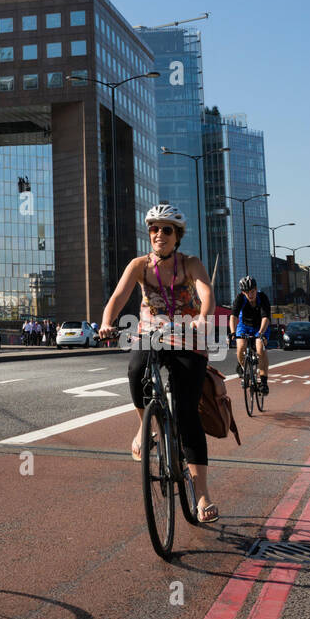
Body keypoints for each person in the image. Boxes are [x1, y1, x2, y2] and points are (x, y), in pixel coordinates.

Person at [98, 203, 219, 525]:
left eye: (166, 229)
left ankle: (202, 492)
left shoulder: (190, 264)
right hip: (150, 333)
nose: (159, 234)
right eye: (154, 228)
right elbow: (118, 297)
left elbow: (207, 294)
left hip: (187, 336)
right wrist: (106, 322)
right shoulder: (139, 265)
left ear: (177, 236)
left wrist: (202, 319)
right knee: (135, 371)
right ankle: (145, 426)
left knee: (186, 411)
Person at [231, 277, 271, 397]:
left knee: (260, 349)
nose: (250, 294)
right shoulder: (240, 299)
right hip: (244, 326)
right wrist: (233, 333)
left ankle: (264, 382)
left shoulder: (262, 297)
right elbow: (233, 317)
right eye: (247, 292)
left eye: (252, 291)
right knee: (241, 347)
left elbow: (265, 318)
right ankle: (245, 369)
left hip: (261, 325)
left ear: (256, 289)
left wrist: (260, 334)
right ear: (243, 292)